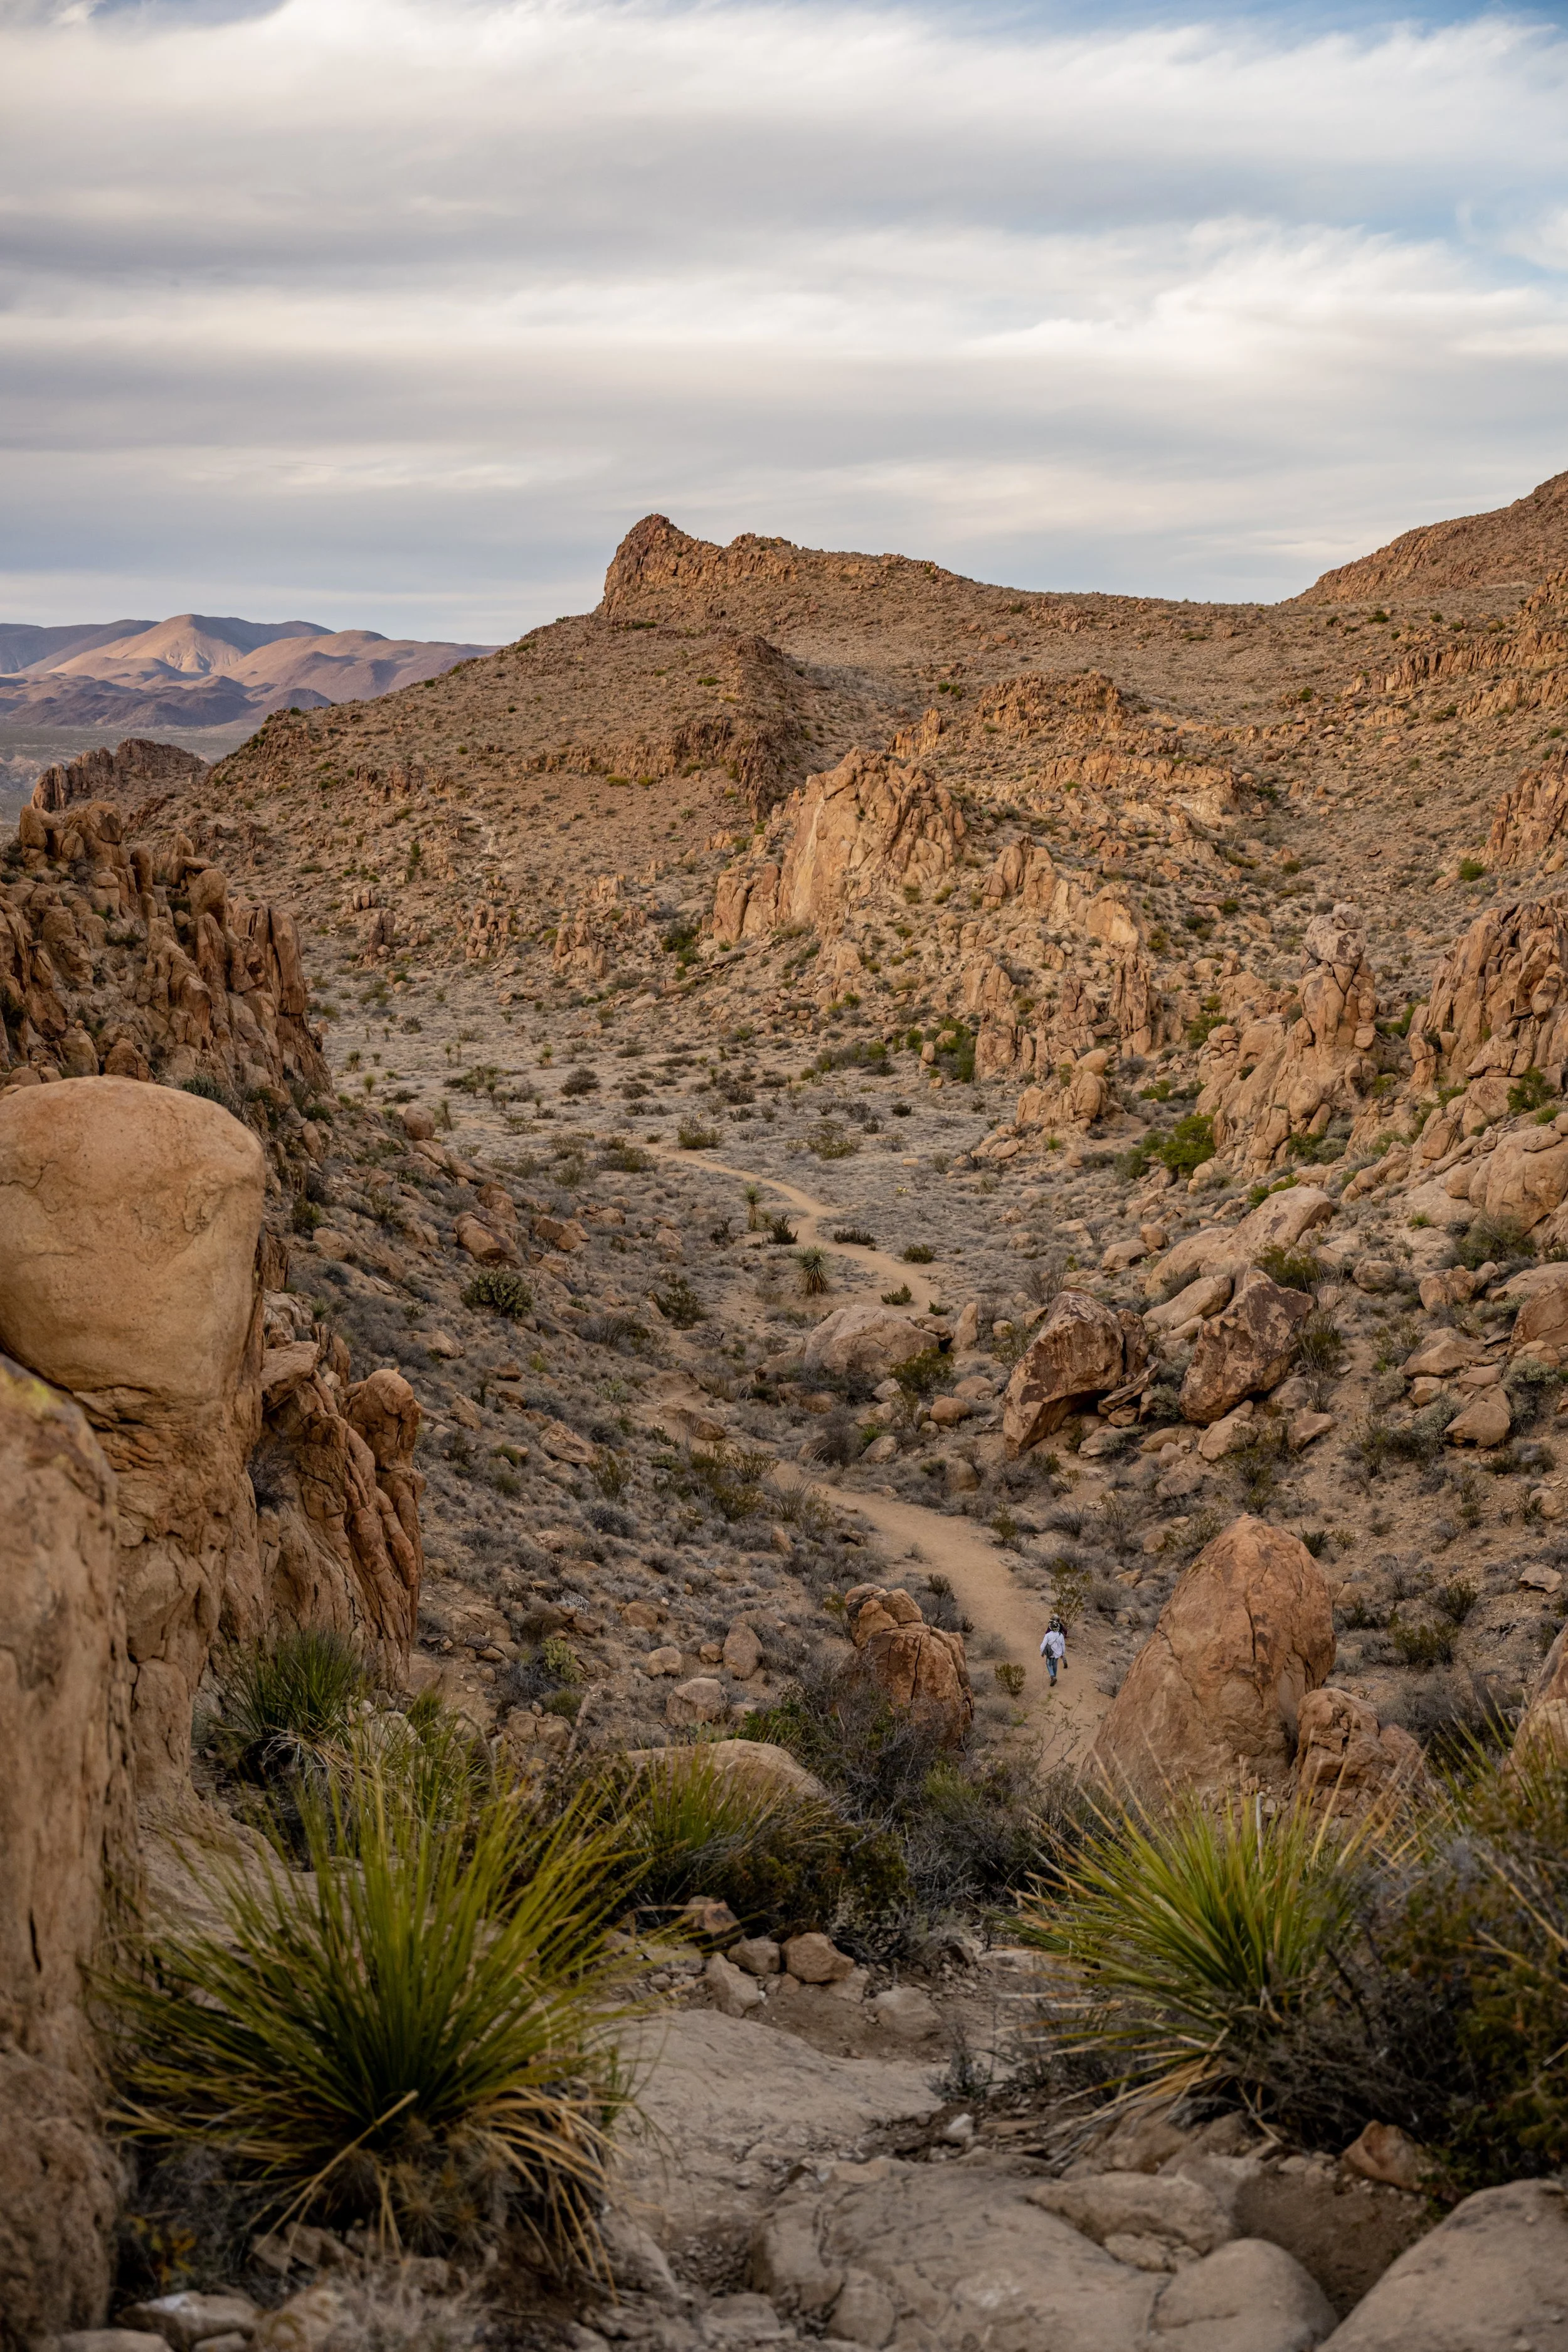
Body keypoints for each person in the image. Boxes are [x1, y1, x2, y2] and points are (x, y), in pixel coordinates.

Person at [1040, 1616, 1067, 1687]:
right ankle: (1054, 1676)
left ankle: (1053, 1677)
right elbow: (1063, 1645)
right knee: (1055, 1665)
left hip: (1050, 1653)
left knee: (1048, 1664)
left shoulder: (1048, 1635)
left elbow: (1043, 1645)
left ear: (1051, 1627)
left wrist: (1042, 1652)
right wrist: (1063, 1653)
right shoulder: (1060, 1635)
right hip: (1057, 1653)